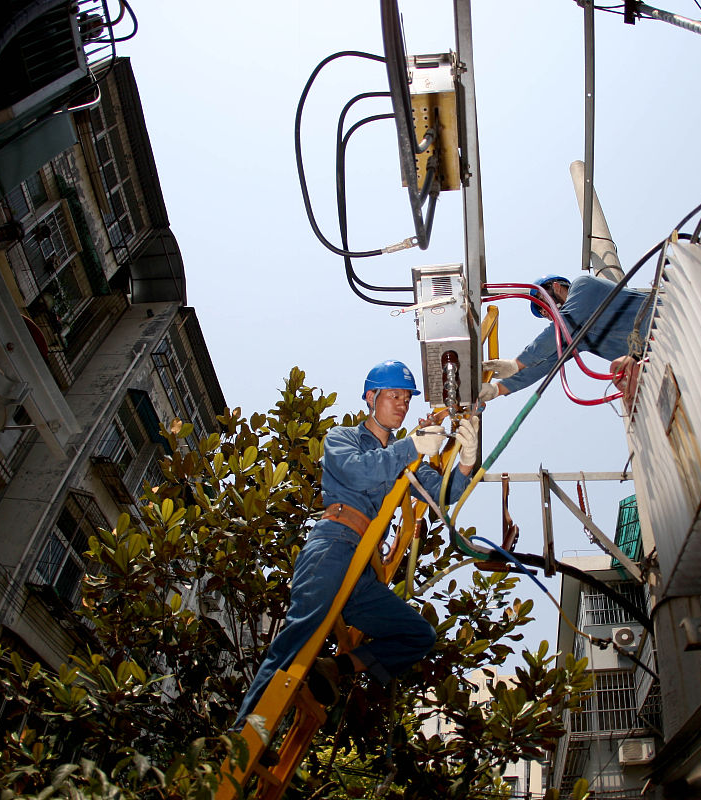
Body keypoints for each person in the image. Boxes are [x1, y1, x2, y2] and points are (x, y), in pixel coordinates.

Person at [234, 359, 479, 738]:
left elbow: (446, 494)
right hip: (334, 542)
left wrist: (466, 459)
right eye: (393, 395)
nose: (402, 404)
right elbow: (359, 471)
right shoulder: (343, 438)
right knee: (299, 635)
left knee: (418, 636)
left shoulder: (406, 462)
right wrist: (411, 446)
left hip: (363, 564)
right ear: (371, 397)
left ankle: (337, 667)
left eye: (406, 398)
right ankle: (243, 733)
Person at [479, 274, 650, 400]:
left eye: (542, 303)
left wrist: (515, 364)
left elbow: (563, 325)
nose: (544, 312)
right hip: (653, 356)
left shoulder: (584, 285)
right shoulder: (577, 336)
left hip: (663, 320)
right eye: (541, 312)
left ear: (556, 286)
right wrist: (497, 389)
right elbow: (545, 363)